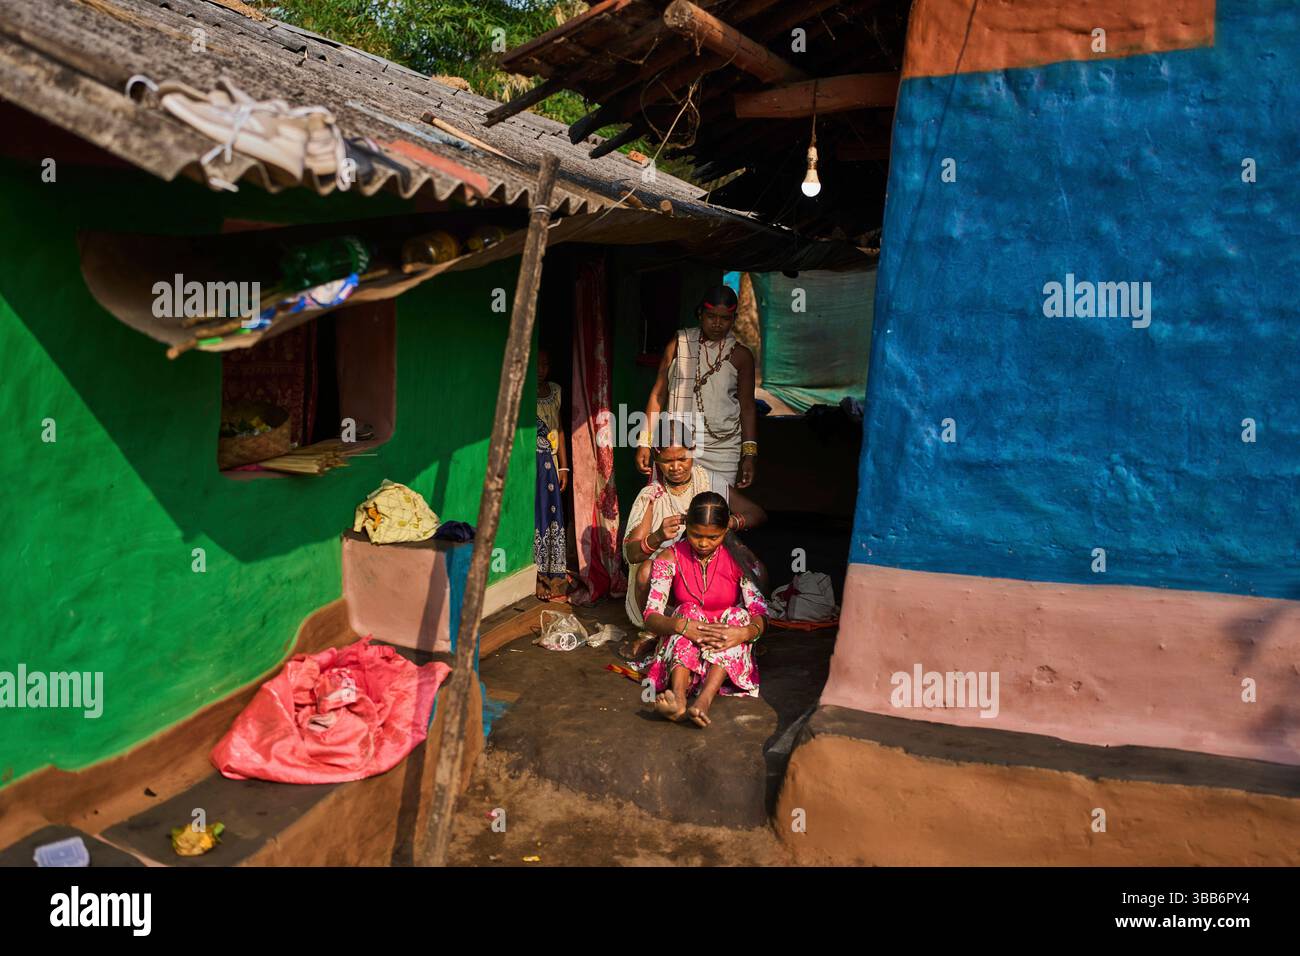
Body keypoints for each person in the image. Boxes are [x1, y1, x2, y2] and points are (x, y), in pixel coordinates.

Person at [621, 420, 767, 656]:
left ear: (693, 450)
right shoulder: (652, 495)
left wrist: (727, 522)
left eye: (682, 459)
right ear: (656, 459)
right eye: (667, 461)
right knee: (647, 570)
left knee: (754, 567)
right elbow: (631, 554)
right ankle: (655, 632)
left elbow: (757, 514)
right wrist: (657, 537)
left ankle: (750, 631)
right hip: (673, 573)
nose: (676, 467)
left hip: (710, 565)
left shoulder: (709, 481)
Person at [641, 492, 768, 728]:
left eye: (713, 537)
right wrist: (682, 625)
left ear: (725, 531)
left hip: (723, 650)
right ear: (686, 525)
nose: (703, 543)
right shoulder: (670, 557)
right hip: (684, 645)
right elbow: (651, 616)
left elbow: (759, 613)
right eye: (696, 535)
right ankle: (678, 697)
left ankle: (704, 700)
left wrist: (744, 633)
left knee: (739, 616)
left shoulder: (739, 559)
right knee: (686, 610)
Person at [636, 285, 758, 502]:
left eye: (725, 318)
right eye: (711, 316)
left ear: (734, 319)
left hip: (723, 448)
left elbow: (747, 408)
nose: (718, 323)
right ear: (700, 313)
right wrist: (644, 442)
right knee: (674, 508)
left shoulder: (742, 356)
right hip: (679, 447)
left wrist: (749, 454)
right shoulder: (679, 344)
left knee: (714, 511)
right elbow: (658, 395)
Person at [534, 347, 570, 601]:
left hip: (552, 463)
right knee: (536, 515)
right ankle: (536, 575)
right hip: (533, 465)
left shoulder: (555, 391)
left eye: (545, 364)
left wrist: (564, 466)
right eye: (536, 365)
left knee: (552, 513)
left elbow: (559, 429)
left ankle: (553, 571)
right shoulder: (525, 393)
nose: (541, 370)